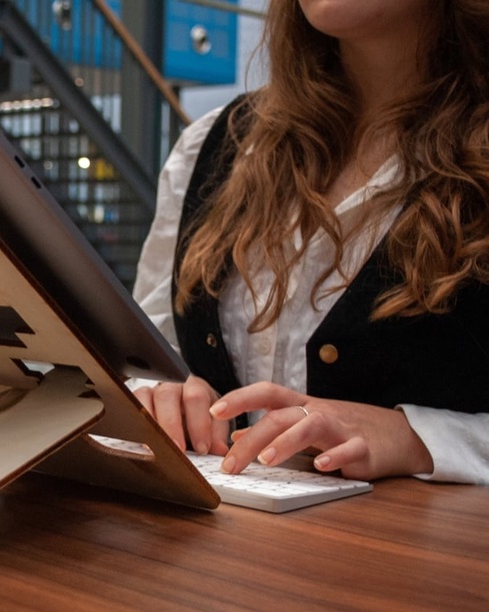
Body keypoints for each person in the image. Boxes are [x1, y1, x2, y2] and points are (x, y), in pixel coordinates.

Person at [131, 0, 489, 484]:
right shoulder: (215, 146)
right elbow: (146, 358)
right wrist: (159, 394)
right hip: (205, 550)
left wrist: (420, 438)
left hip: (418, 555)